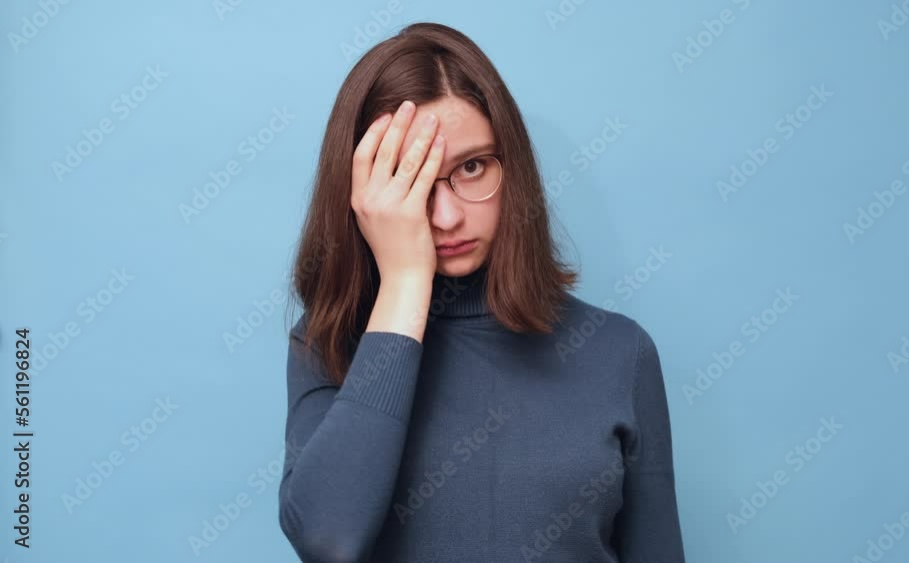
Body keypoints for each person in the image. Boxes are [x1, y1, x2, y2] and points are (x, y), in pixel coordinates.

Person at [278, 21, 685, 563]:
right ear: (364, 194)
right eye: (411, 179)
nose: (447, 216)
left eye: (472, 167)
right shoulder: (328, 345)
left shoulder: (619, 352)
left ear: (511, 167)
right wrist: (405, 280)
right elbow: (328, 540)